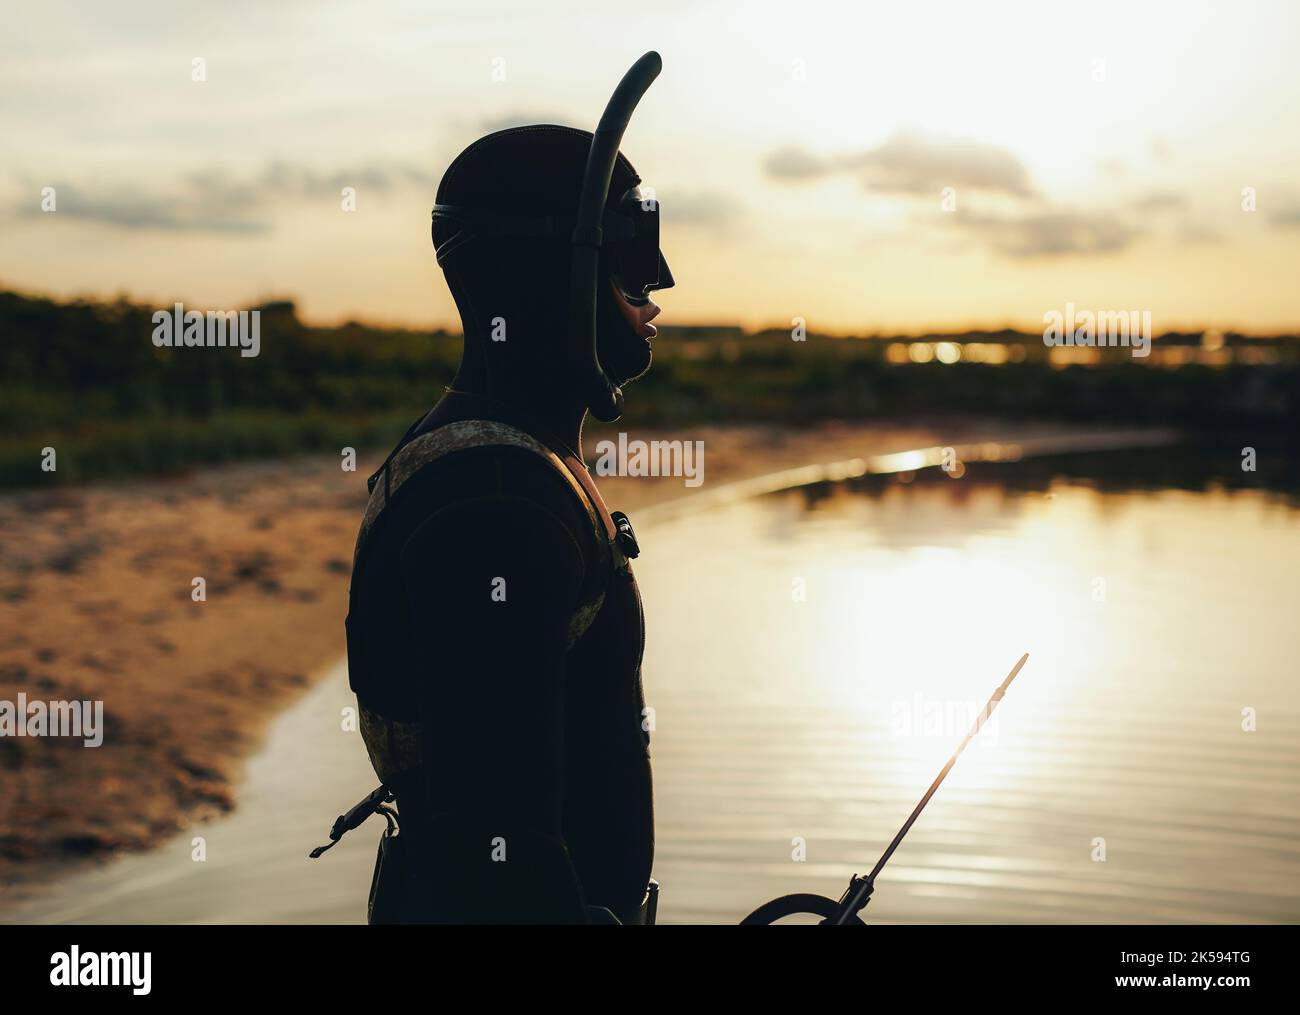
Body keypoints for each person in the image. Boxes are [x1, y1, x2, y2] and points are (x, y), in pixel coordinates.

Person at [344, 98, 674, 924]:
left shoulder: (515, 469)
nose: (660, 286)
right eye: (631, 262)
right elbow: (494, 850)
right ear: (554, 271)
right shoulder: (495, 503)